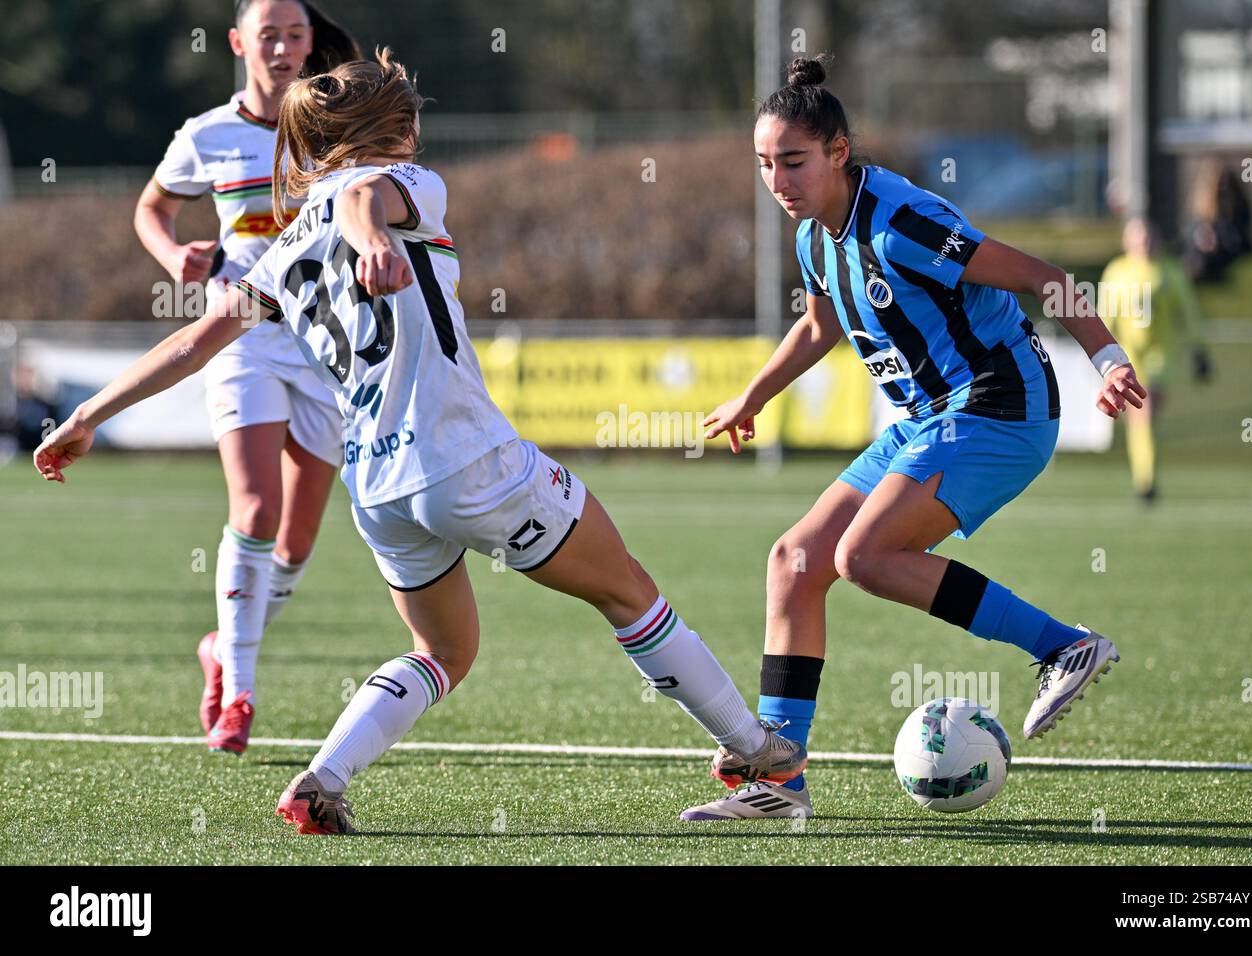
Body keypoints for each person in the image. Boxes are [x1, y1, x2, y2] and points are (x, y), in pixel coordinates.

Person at [34, 50, 805, 835]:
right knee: (627, 591)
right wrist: (371, 238)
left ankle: (322, 779)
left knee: (443, 651)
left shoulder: (282, 250)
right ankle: (756, 751)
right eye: (412, 120)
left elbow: (195, 344)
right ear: (395, 129)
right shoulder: (406, 183)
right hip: (469, 458)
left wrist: (88, 413)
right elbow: (365, 194)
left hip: (378, 486)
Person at [680, 56, 1146, 821]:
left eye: (792, 161)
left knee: (861, 557)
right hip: (929, 417)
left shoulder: (903, 220)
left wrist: (1109, 357)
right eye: (764, 164)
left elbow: (1045, 273)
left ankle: (1063, 645)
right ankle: (780, 780)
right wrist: (751, 398)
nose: (777, 180)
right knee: (795, 562)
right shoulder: (813, 236)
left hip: (1002, 405)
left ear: (838, 151)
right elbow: (821, 324)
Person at [133, 0, 360, 754]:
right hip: (244, 336)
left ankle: (219, 647)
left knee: (296, 542)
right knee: (256, 510)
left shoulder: (332, 127)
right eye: (269, 35)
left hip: (324, 342)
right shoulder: (207, 134)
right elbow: (152, 208)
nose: (285, 48)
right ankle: (240, 693)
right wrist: (176, 260)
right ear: (238, 43)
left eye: (296, 35)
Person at [1099, 217, 1210, 501]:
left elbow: (1188, 311)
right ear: (1127, 242)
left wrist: (1199, 350)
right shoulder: (1117, 271)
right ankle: (1146, 479)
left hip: (1161, 355)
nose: (1144, 244)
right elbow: (1105, 316)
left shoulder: (1168, 272)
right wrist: (1100, 355)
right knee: (1140, 421)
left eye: (1148, 238)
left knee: (1145, 414)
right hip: (1128, 357)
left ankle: (1146, 482)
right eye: (1138, 239)